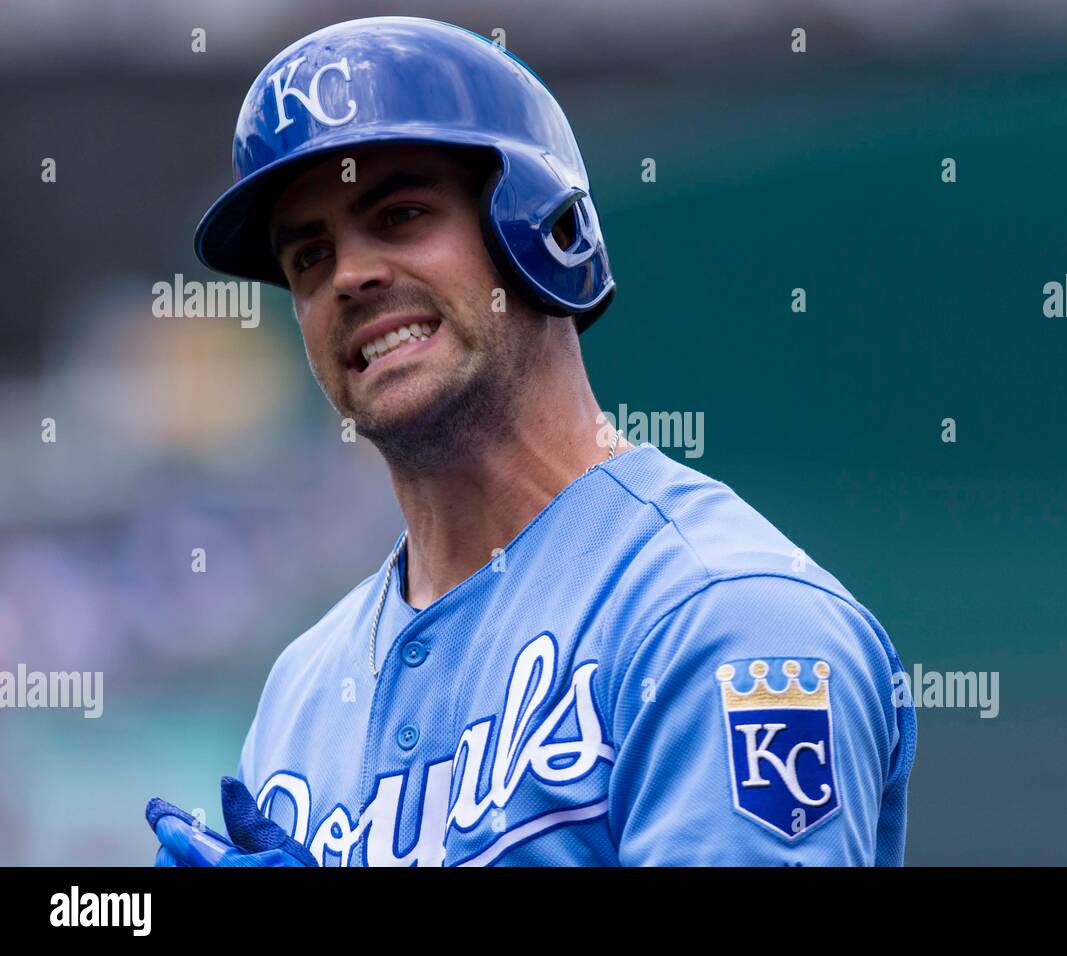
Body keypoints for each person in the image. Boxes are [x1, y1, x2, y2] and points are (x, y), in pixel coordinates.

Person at [146, 16, 915, 867]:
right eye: (309, 257)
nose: (349, 277)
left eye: (399, 215)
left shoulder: (726, 617)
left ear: (542, 229)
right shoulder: (301, 688)